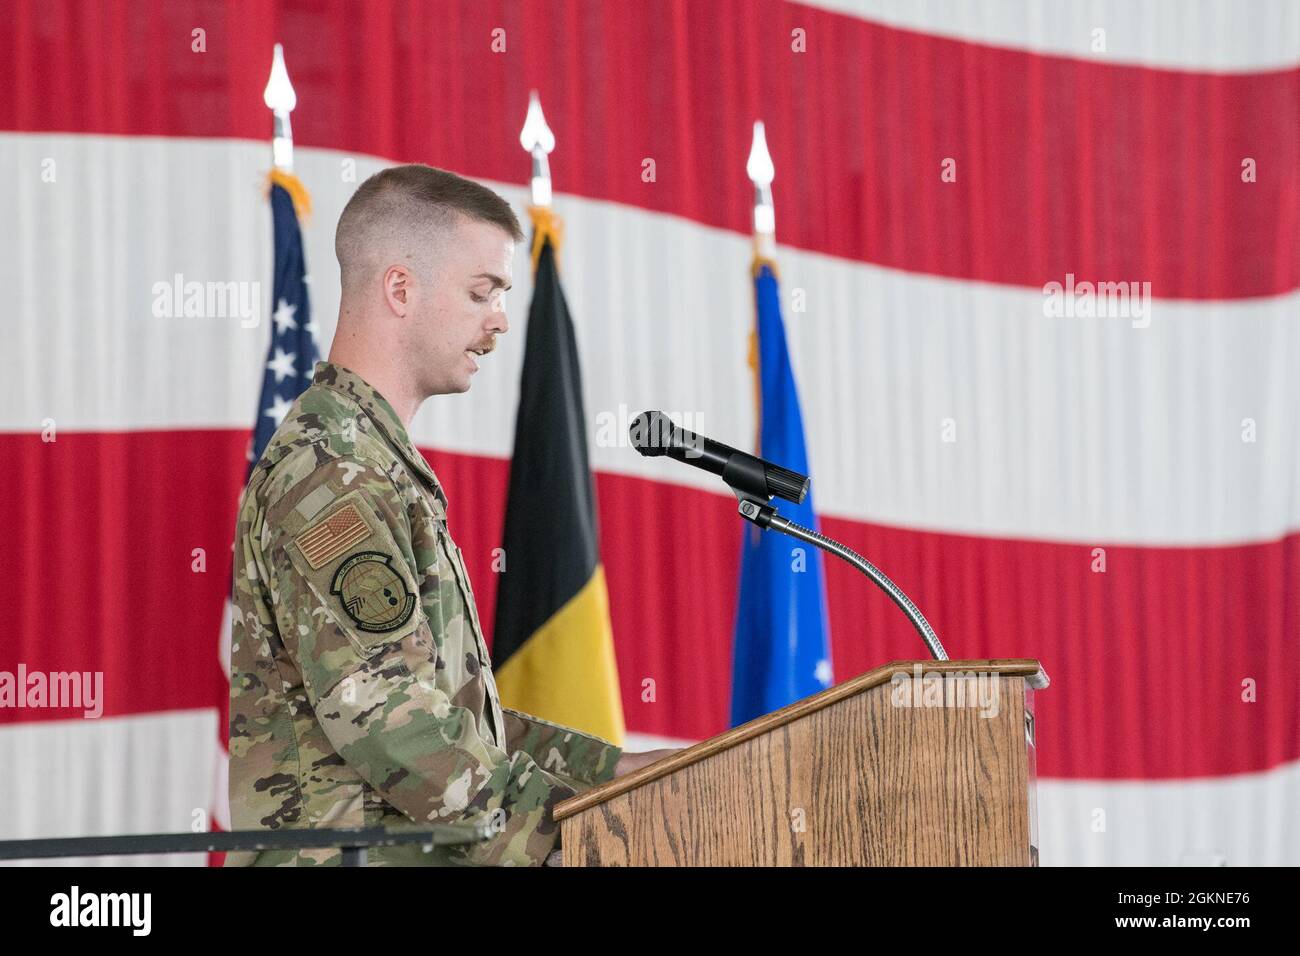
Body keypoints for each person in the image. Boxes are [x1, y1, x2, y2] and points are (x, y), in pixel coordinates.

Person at [227, 164, 672, 866]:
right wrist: (575, 836)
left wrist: (612, 776)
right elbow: (389, 719)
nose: (499, 318)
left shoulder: (371, 458)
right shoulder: (332, 469)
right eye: (480, 292)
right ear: (401, 289)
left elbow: (453, 715)